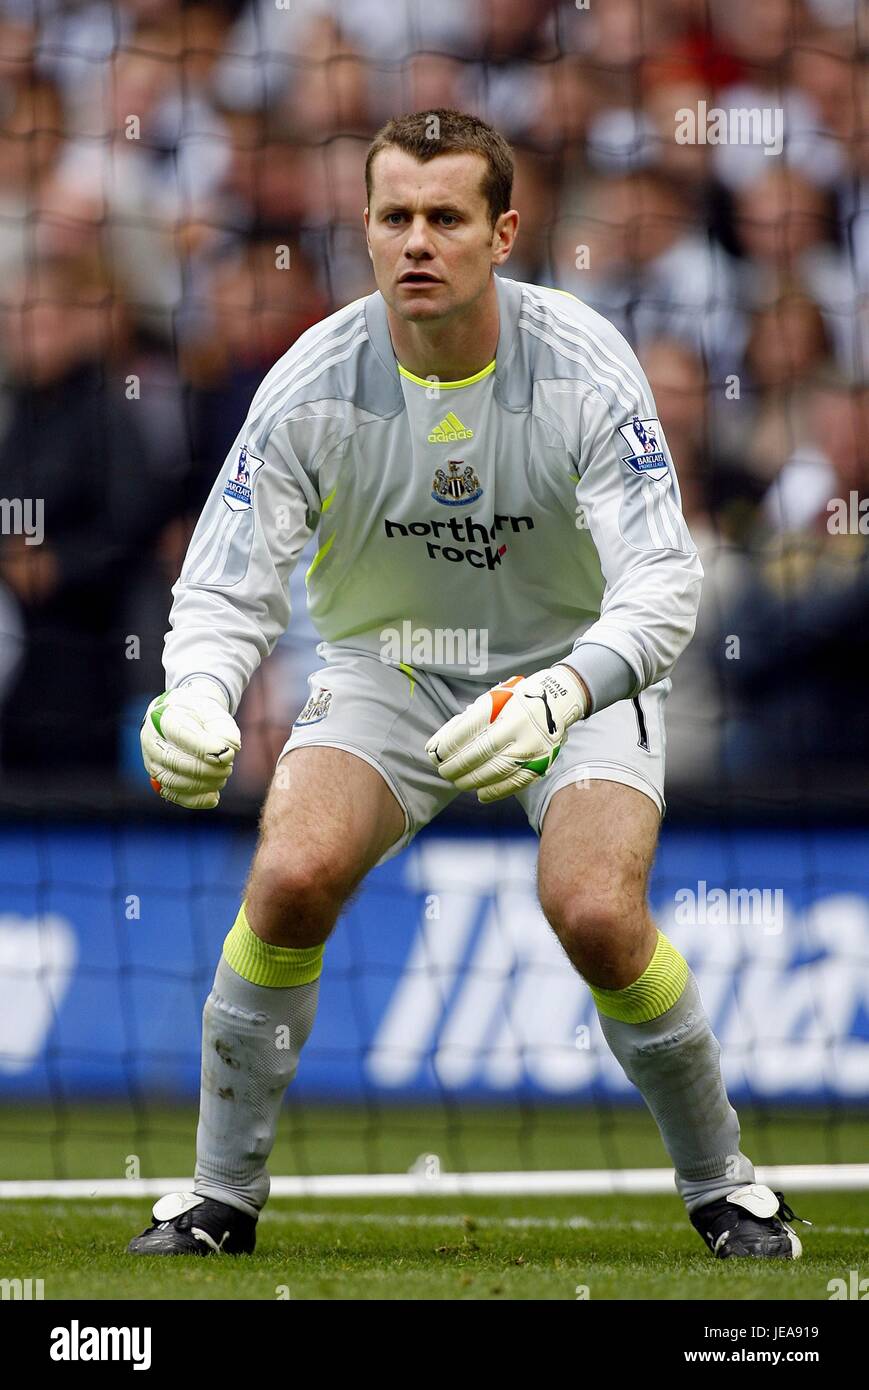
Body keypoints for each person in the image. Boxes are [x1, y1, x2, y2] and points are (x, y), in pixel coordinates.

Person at [129, 109, 804, 1260]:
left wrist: (560, 693)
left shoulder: (586, 364)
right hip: (385, 672)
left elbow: (659, 586)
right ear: (364, 229)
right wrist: (195, 691)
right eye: (394, 217)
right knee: (288, 874)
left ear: (501, 234)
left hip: (572, 669)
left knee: (594, 909)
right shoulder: (308, 382)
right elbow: (225, 585)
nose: (416, 243)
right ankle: (215, 1200)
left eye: (444, 218)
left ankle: (728, 1188)